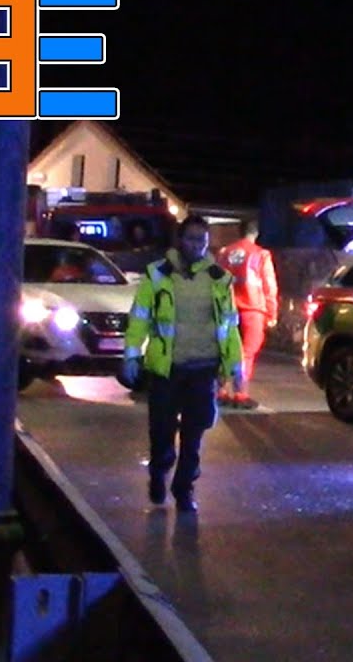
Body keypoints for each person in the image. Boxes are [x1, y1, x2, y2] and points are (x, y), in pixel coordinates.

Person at [123, 215, 244, 512]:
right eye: (191, 239)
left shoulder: (218, 279)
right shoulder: (158, 275)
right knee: (162, 431)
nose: (197, 246)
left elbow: (229, 327)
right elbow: (140, 317)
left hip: (202, 370)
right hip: (167, 370)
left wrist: (235, 366)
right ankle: (159, 470)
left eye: (202, 241)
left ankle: (184, 489)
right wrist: (131, 353)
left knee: (194, 436)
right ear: (180, 240)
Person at [215, 218, 279, 409]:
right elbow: (269, 286)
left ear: (239, 231)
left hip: (227, 309)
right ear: (256, 234)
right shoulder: (261, 254)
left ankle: (221, 391)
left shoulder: (224, 253)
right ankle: (240, 394)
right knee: (247, 353)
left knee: (225, 350)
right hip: (252, 309)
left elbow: (216, 282)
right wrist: (272, 313)